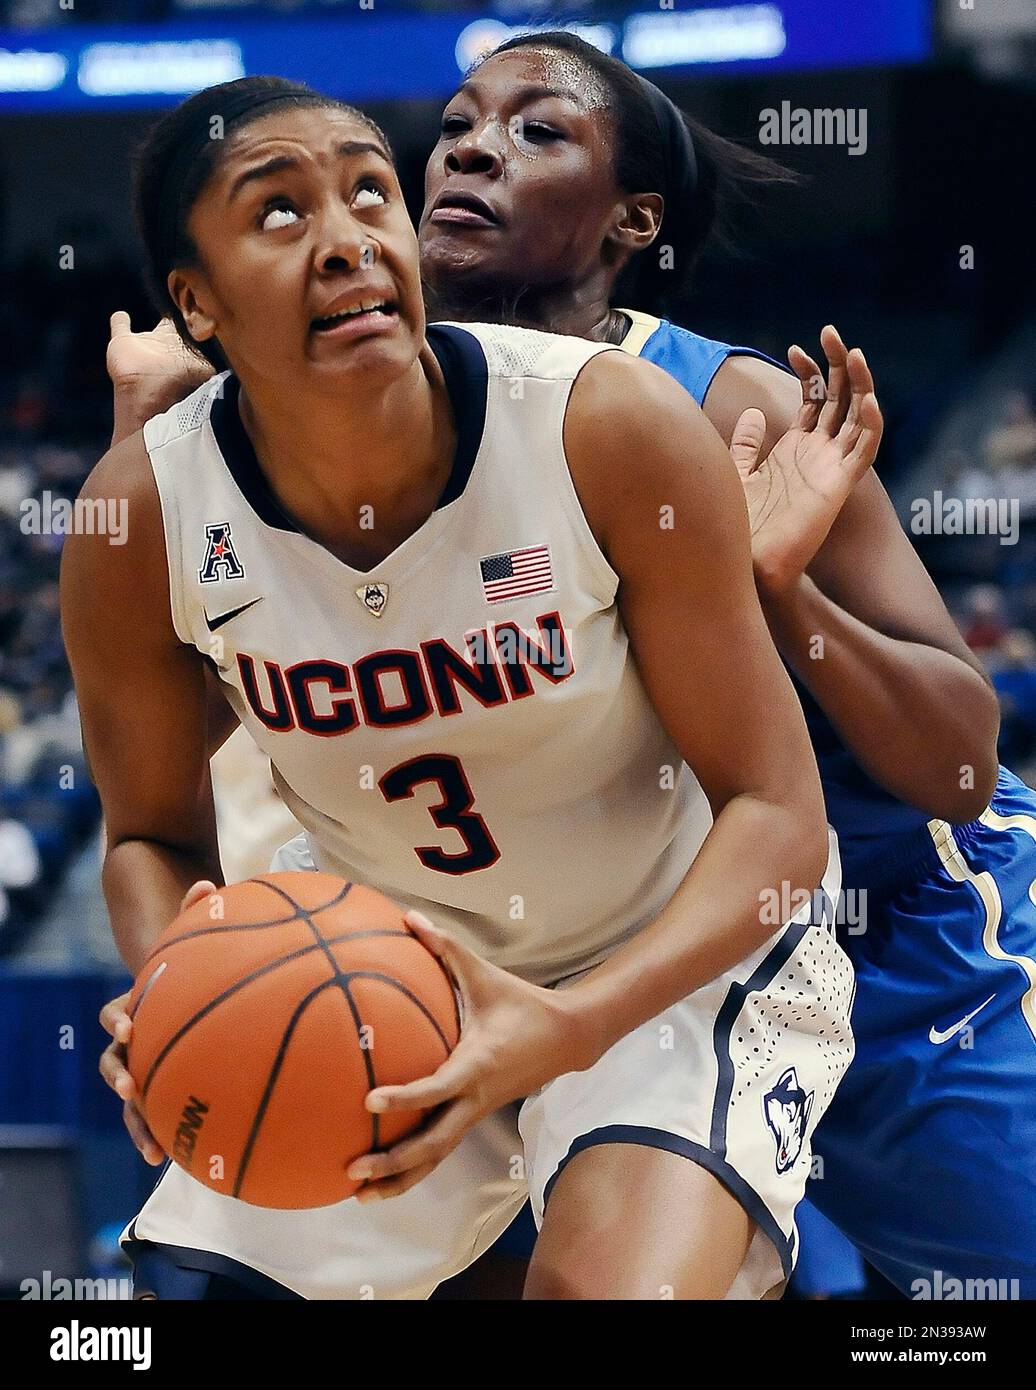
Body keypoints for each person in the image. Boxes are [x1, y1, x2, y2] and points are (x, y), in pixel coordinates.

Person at [109, 33, 1036, 1299]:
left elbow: (962, 765)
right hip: (530, 938)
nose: (473, 150)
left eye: (539, 132)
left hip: (869, 929)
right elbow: (202, 694)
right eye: (453, 127)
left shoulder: (711, 408)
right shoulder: (299, 413)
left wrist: (784, 589)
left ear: (630, 219)